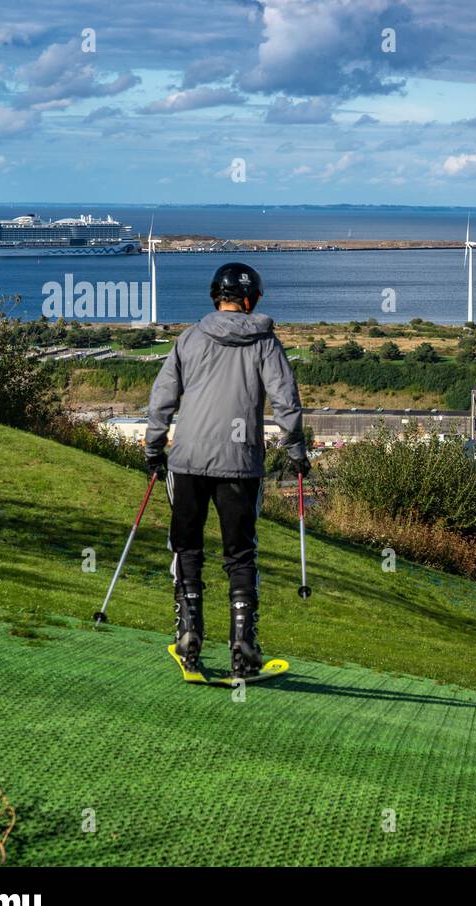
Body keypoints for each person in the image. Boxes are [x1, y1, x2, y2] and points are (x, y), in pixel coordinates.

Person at [144, 262, 310, 677]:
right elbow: (285, 400)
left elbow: (163, 396)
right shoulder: (265, 344)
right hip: (240, 465)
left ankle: (188, 634)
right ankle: (244, 648)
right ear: (251, 298)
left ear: (216, 296)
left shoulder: (189, 338)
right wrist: (296, 450)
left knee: (186, 547)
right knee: (239, 553)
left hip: (187, 464)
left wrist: (153, 445)